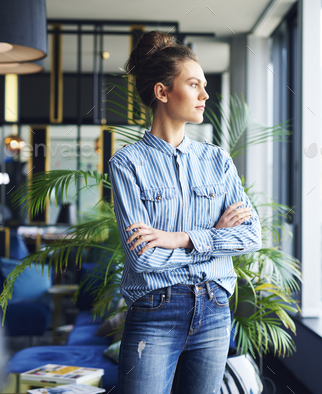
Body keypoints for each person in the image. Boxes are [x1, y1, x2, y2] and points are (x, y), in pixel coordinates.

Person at [108, 31, 262, 394]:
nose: (205, 95)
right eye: (194, 85)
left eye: (204, 85)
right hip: (154, 313)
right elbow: (144, 257)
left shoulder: (218, 161)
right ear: (163, 93)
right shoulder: (127, 164)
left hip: (214, 310)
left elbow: (252, 235)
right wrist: (214, 238)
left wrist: (182, 238)